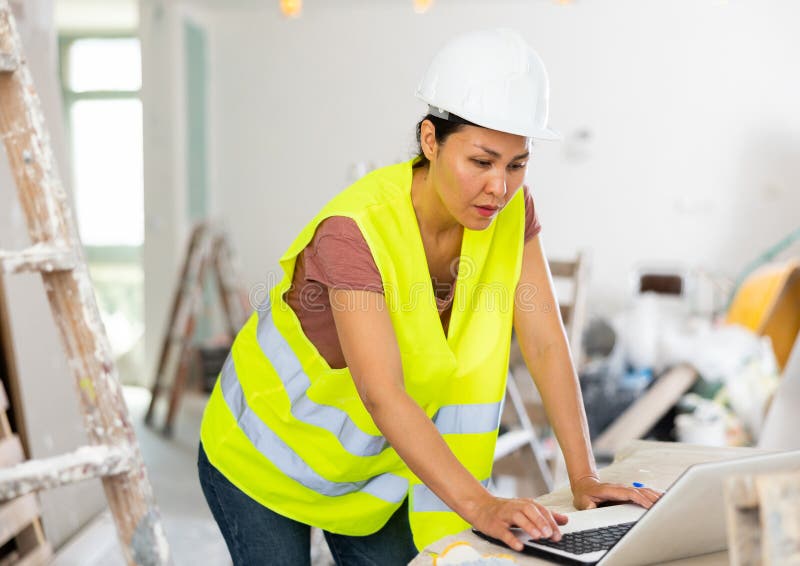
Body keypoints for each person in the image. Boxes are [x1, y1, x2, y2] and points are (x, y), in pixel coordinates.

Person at [197, 28, 661, 566]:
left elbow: (545, 342)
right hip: (263, 456)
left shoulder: (511, 215)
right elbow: (381, 392)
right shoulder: (355, 231)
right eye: (482, 161)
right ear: (430, 140)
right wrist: (481, 506)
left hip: (372, 471)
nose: (499, 188)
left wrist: (584, 477)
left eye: (517, 164)